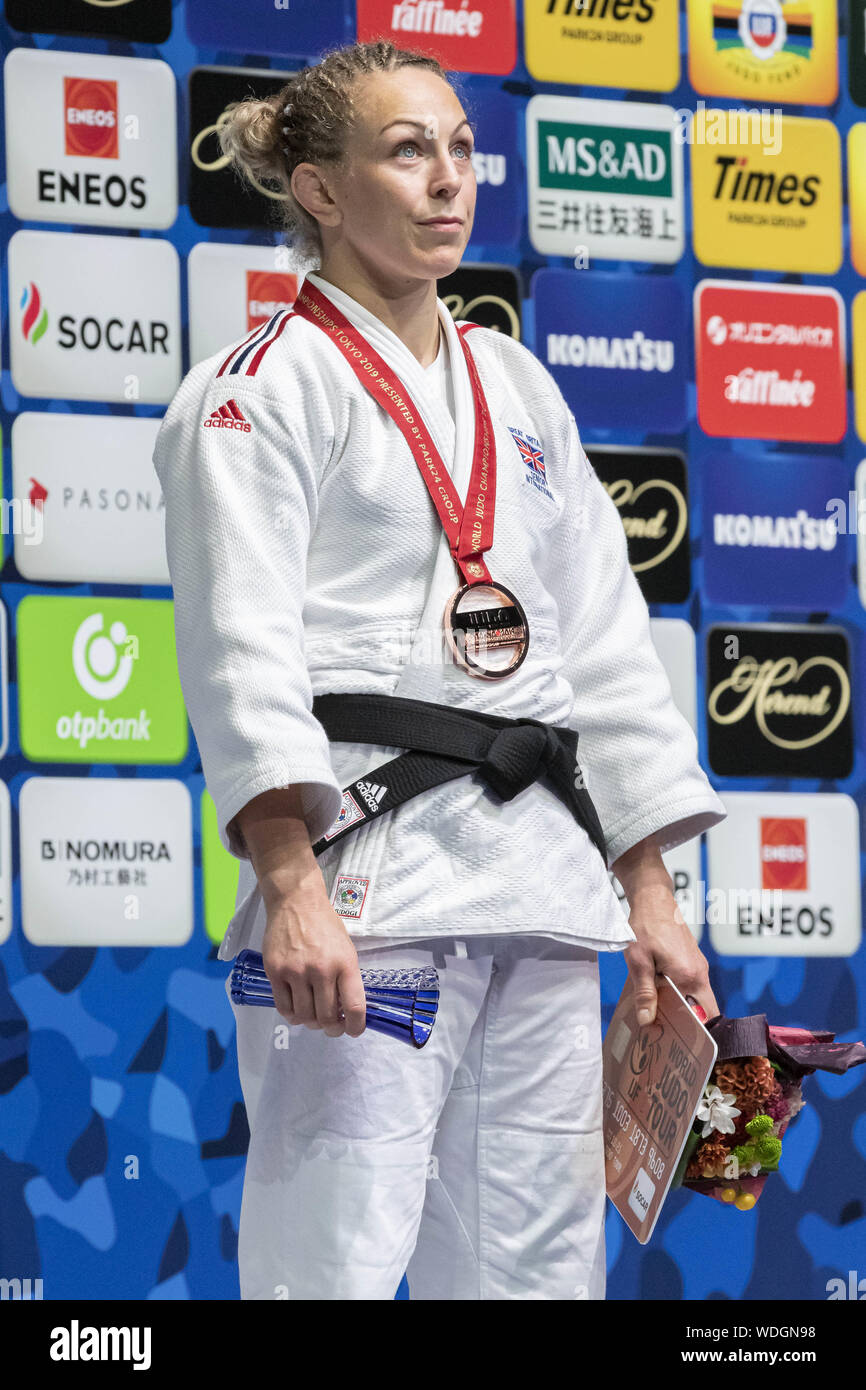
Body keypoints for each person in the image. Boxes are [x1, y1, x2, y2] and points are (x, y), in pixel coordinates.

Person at [152, 39, 726, 1301]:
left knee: (538, 1273)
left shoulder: (515, 386)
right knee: (331, 1268)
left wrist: (650, 891)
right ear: (318, 188)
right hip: (371, 896)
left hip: (539, 889)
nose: (448, 178)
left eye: (460, 148)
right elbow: (239, 653)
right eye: (406, 151)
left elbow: (601, 647)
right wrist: (289, 883)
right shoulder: (253, 391)